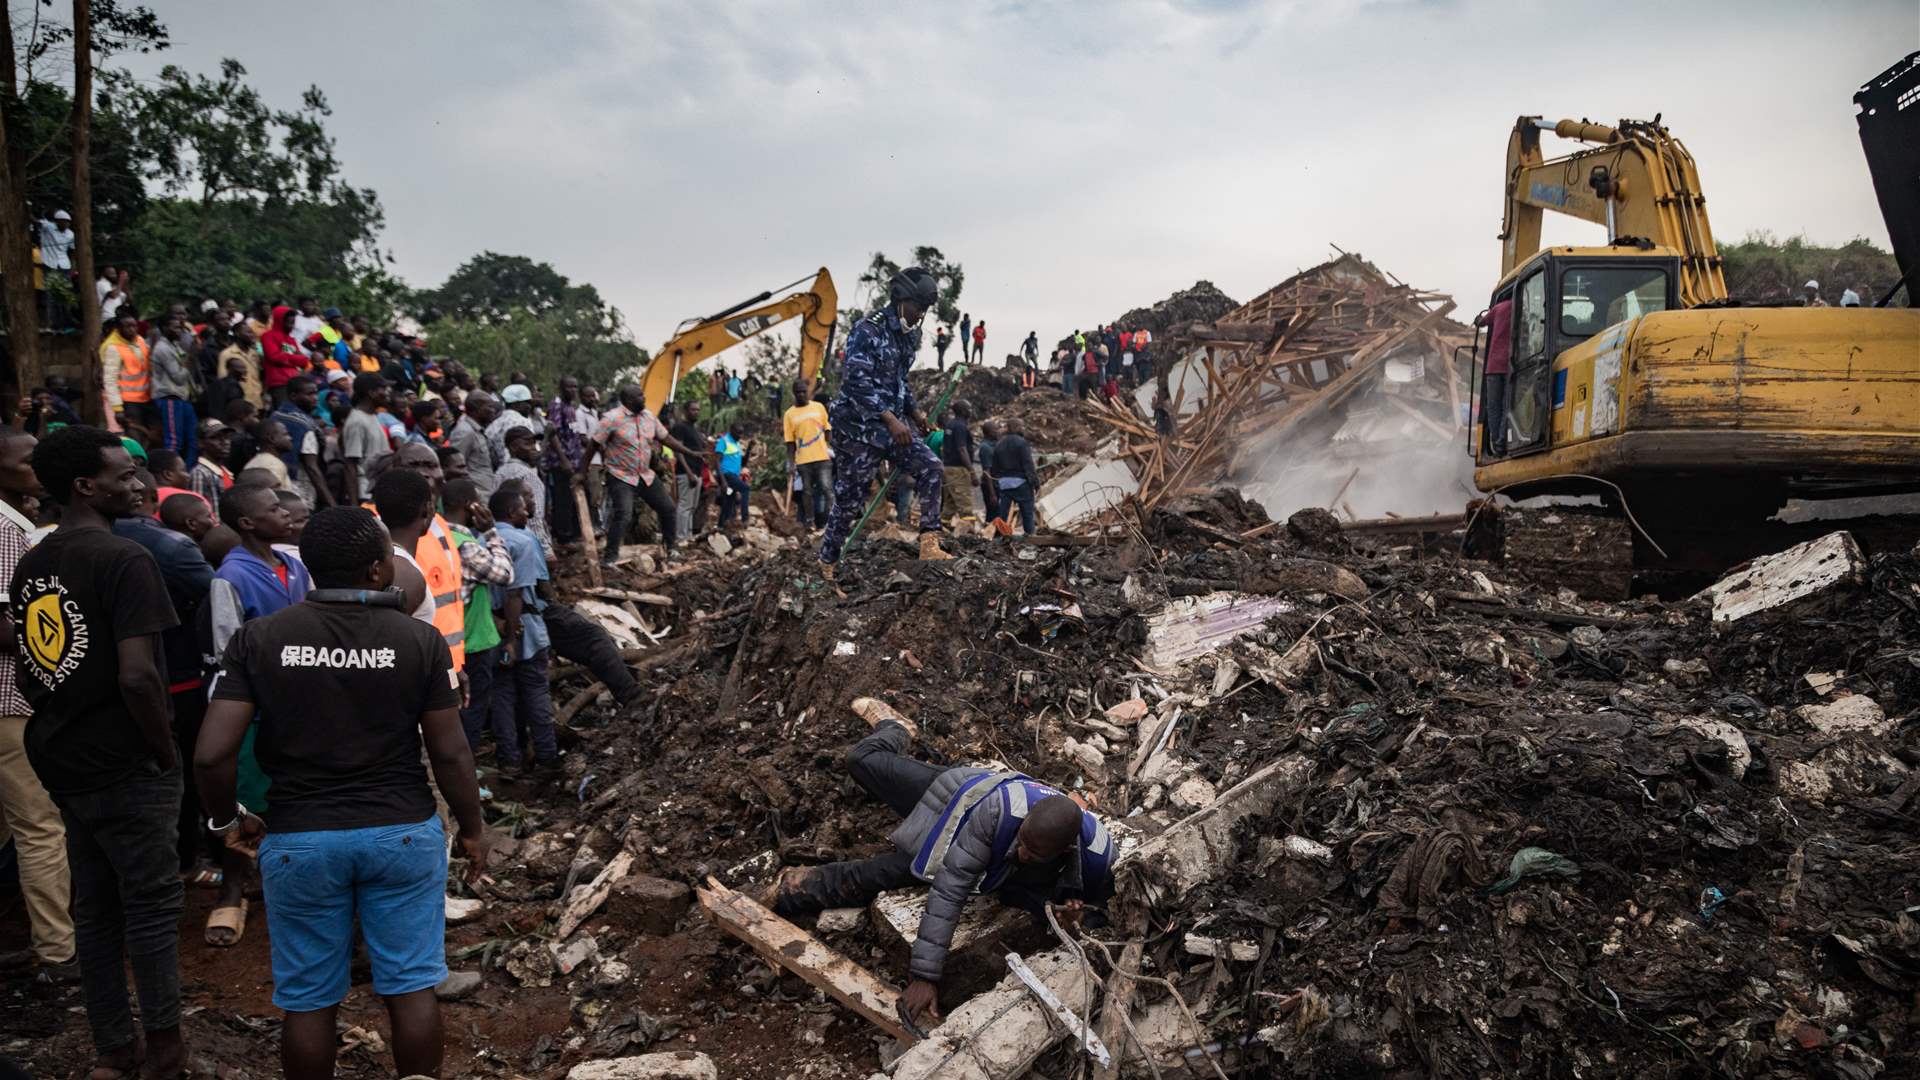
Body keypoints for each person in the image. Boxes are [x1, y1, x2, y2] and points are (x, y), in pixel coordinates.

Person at [194, 505, 487, 1080]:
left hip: (301, 838)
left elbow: (211, 753)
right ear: (380, 570)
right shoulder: (419, 640)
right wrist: (473, 828)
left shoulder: (261, 638)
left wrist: (225, 820)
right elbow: (450, 751)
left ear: (309, 572)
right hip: (402, 832)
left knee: (308, 1000)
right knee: (410, 986)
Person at [10, 426, 186, 1078]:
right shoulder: (125, 561)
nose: (137, 483)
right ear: (86, 486)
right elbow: (139, 675)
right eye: (121, 474)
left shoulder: (36, 561)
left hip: (62, 754)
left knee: (96, 906)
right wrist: (165, 751)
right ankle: (165, 1051)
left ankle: (114, 1048)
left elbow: (34, 665)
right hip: (125, 760)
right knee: (150, 905)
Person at [766, 706, 1113, 1026]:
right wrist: (924, 976)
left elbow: (1106, 919)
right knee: (862, 760)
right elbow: (952, 885)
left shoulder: (1097, 858)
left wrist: (1079, 920)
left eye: (1034, 853)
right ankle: (896, 728)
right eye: (1021, 842)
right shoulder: (999, 813)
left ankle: (789, 890)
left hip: (976, 853)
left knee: (874, 875)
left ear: (1065, 850)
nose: (1022, 852)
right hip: (956, 794)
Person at [0, 427, 76, 986]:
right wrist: (54, 651)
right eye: (26, 461)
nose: (36, 467)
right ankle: (58, 951)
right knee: (40, 826)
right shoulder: (5, 529)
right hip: (11, 697)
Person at [820, 269, 951, 567]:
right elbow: (855, 381)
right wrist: (891, 419)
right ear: (901, 300)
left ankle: (929, 543)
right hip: (857, 429)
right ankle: (826, 564)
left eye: (925, 310)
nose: (920, 315)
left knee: (931, 467)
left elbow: (899, 382)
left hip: (892, 427)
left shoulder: (908, 337)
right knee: (850, 500)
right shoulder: (868, 330)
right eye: (918, 307)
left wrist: (915, 413)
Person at [440, 479, 513, 759]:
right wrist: (491, 533)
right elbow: (504, 574)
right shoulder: (466, 545)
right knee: (471, 712)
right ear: (470, 506)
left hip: (445, 642)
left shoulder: (435, 540)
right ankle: (466, 774)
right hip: (471, 643)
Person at [588, 385, 696, 568]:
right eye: (639, 396)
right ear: (628, 401)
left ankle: (671, 548)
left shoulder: (649, 417)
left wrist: (691, 452)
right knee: (624, 515)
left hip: (645, 475)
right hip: (621, 475)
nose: (644, 398)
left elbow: (666, 438)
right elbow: (593, 444)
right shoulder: (611, 419)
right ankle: (610, 558)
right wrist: (582, 471)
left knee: (668, 508)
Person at [489, 484, 556, 775]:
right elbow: (525, 589)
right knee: (536, 693)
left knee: (503, 695)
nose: (527, 512)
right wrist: (512, 639)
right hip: (524, 627)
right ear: (509, 512)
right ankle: (547, 758)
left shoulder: (478, 541)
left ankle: (509, 760)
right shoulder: (524, 541)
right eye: (521, 508)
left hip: (490, 626)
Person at [149, 315, 201, 466]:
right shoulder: (162, 348)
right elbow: (178, 376)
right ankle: (169, 474)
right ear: (165, 329)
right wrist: (190, 356)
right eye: (176, 327)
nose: (180, 331)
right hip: (169, 398)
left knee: (193, 439)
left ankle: (188, 472)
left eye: (181, 327)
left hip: (182, 398)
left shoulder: (175, 346)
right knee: (173, 441)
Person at [544, 377, 591, 544]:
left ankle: (576, 534)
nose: (573, 390)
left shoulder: (571, 407)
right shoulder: (556, 406)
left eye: (575, 386)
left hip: (575, 461)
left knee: (574, 499)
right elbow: (552, 433)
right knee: (562, 499)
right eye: (569, 386)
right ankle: (563, 538)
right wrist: (563, 459)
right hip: (561, 462)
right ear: (561, 387)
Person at [496, 426, 554, 560]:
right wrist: (546, 551)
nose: (534, 448)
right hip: (530, 544)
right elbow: (534, 517)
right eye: (528, 444)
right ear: (513, 447)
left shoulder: (500, 472)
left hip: (507, 542)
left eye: (534, 443)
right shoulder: (527, 475)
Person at [273, 375, 331, 507]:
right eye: (310, 394)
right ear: (293, 396)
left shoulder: (276, 415)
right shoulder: (304, 426)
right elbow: (312, 468)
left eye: (316, 393)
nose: (315, 398)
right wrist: (330, 502)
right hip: (299, 488)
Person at [783, 379, 833, 531]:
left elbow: (827, 429)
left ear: (808, 391)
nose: (801, 394)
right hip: (803, 460)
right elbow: (790, 442)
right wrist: (790, 463)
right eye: (798, 392)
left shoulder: (818, 407)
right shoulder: (789, 414)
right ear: (794, 393)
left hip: (822, 457)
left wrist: (829, 446)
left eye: (804, 391)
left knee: (826, 488)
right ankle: (810, 522)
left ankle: (834, 519)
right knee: (807, 492)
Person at [101, 311, 155, 439]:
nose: (132, 329)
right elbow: (110, 380)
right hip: (128, 401)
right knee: (135, 436)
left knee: (150, 436)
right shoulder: (113, 348)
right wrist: (117, 408)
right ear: (119, 329)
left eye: (134, 326)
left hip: (147, 397)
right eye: (128, 326)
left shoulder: (140, 340)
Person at [342, 374, 393, 502]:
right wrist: (354, 505)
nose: (388, 393)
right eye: (384, 389)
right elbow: (350, 465)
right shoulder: (357, 421)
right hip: (365, 493)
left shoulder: (372, 416)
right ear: (372, 393)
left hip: (378, 489)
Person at [667, 399, 710, 542]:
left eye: (698, 410)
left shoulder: (695, 429)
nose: (696, 412)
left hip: (696, 472)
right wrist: (689, 473)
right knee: (684, 505)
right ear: (686, 411)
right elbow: (678, 451)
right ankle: (680, 537)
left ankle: (688, 535)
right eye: (693, 409)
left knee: (692, 506)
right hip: (686, 472)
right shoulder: (680, 427)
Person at [990, 419, 1041, 535]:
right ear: (1017, 427)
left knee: (1002, 515)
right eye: (1021, 426)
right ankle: (1030, 537)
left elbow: (994, 469)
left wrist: (998, 484)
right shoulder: (1022, 443)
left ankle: (999, 538)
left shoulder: (999, 444)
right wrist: (1035, 483)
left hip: (1004, 485)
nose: (1023, 428)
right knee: (1027, 513)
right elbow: (1028, 465)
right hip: (1021, 484)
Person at [1478, 296, 1514, 456]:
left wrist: (1478, 318)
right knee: (1508, 405)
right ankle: (1502, 441)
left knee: (1493, 406)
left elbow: (1481, 322)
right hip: (1511, 365)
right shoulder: (1522, 305)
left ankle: (1495, 444)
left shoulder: (1498, 308)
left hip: (1493, 366)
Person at [449, 389, 497, 498]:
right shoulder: (464, 431)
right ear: (476, 408)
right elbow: (455, 469)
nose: (493, 411)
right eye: (489, 407)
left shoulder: (478, 430)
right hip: (476, 497)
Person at [939, 399, 979, 524]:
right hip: (958, 469)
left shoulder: (950, 425)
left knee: (949, 504)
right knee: (965, 505)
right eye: (969, 408)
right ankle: (969, 535)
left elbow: (944, 447)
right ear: (962, 411)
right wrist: (972, 471)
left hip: (948, 467)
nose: (971, 411)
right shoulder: (961, 426)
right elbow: (962, 449)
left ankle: (940, 529)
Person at [260, 306, 309, 406]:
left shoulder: (291, 339)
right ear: (280, 321)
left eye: (293, 323)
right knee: (285, 411)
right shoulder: (268, 336)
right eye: (289, 323)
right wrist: (295, 359)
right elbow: (274, 357)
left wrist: (287, 357)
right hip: (279, 382)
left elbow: (304, 361)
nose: (292, 326)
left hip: (294, 381)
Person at [487, 384, 539, 468]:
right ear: (515, 404)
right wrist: (547, 436)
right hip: (522, 472)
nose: (529, 406)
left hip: (502, 473)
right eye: (527, 402)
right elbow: (534, 456)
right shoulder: (523, 422)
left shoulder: (493, 425)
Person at [714, 422, 751, 529]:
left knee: (729, 500)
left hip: (733, 476)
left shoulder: (737, 444)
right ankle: (745, 518)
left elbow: (743, 463)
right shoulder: (724, 441)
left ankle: (721, 526)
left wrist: (749, 449)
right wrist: (723, 481)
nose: (741, 436)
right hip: (726, 476)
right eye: (738, 433)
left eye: (742, 433)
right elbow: (717, 462)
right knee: (745, 489)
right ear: (731, 431)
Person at [191, 419, 236, 507]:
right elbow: (198, 510)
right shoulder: (200, 473)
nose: (225, 442)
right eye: (215, 437)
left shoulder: (223, 471)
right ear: (201, 443)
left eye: (226, 437)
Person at [245, 421, 295, 491]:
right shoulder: (273, 465)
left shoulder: (260, 460)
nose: (290, 438)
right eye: (285, 434)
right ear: (272, 439)